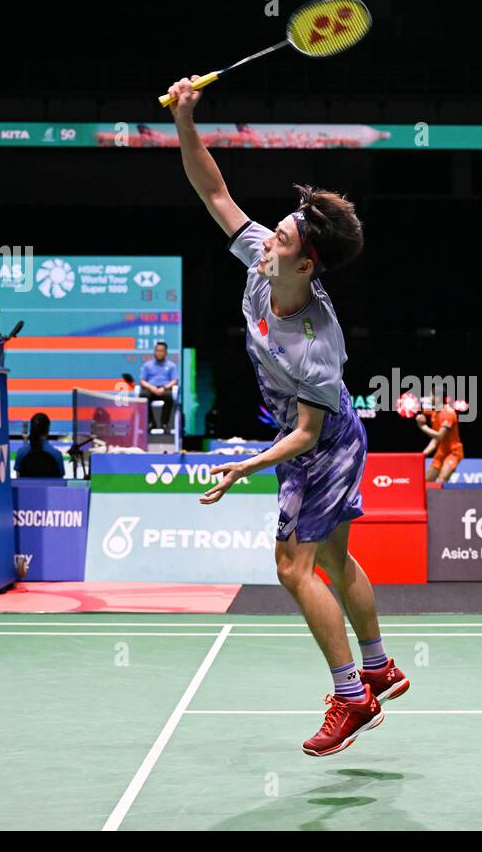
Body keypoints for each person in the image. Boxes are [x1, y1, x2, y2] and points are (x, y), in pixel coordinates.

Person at [166, 74, 408, 757]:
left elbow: (306, 433)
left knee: (291, 566)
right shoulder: (260, 264)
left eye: (278, 237)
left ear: (307, 261)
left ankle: (352, 697)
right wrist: (187, 120)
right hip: (313, 436)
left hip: (324, 442)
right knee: (333, 558)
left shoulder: (316, 346)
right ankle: (379, 664)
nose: (263, 239)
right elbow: (213, 191)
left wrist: (245, 464)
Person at [416, 391, 464, 483]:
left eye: (431, 396)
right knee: (427, 481)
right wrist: (423, 454)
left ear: (437, 398)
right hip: (441, 451)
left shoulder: (448, 414)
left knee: (442, 480)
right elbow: (435, 441)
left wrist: (423, 427)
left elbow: (439, 436)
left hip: (453, 452)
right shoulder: (434, 412)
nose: (429, 398)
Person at [139, 341, 179, 433]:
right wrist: (151, 387)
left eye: (161, 351)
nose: (159, 353)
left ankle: (164, 424)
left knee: (169, 397)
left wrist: (164, 388)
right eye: (157, 350)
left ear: (165, 353)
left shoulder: (171, 366)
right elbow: (142, 381)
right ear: (154, 352)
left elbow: (174, 380)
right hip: (151, 388)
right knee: (143, 396)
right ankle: (150, 423)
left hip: (164, 389)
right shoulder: (147, 365)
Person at [15, 413, 65, 478]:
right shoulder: (56, 454)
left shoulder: (21, 452)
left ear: (32, 429)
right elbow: (60, 481)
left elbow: (18, 480)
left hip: (25, 488)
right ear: (48, 429)